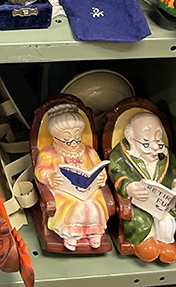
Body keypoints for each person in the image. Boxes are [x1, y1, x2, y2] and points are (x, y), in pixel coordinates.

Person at [108, 111, 176, 263]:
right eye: (146, 143)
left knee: (167, 221)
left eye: (158, 141)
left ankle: (165, 241)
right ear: (131, 138)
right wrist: (129, 187)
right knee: (139, 219)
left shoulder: (166, 155)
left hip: (162, 204)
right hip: (138, 203)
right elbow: (116, 172)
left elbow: (175, 171)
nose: (153, 148)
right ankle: (144, 240)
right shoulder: (120, 154)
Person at [34, 104, 109, 250]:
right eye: (67, 140)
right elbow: (40, 170)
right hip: (63, 191)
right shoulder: (47, 153)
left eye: (77, 137)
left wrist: (101, 177)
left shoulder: (89, 151)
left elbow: (99, 168)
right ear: (55, 137)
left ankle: (94, 233)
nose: (73, 143)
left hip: (89, 190)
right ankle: (71, 235)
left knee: (93, 205)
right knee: (76, 207)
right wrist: (50, 176)